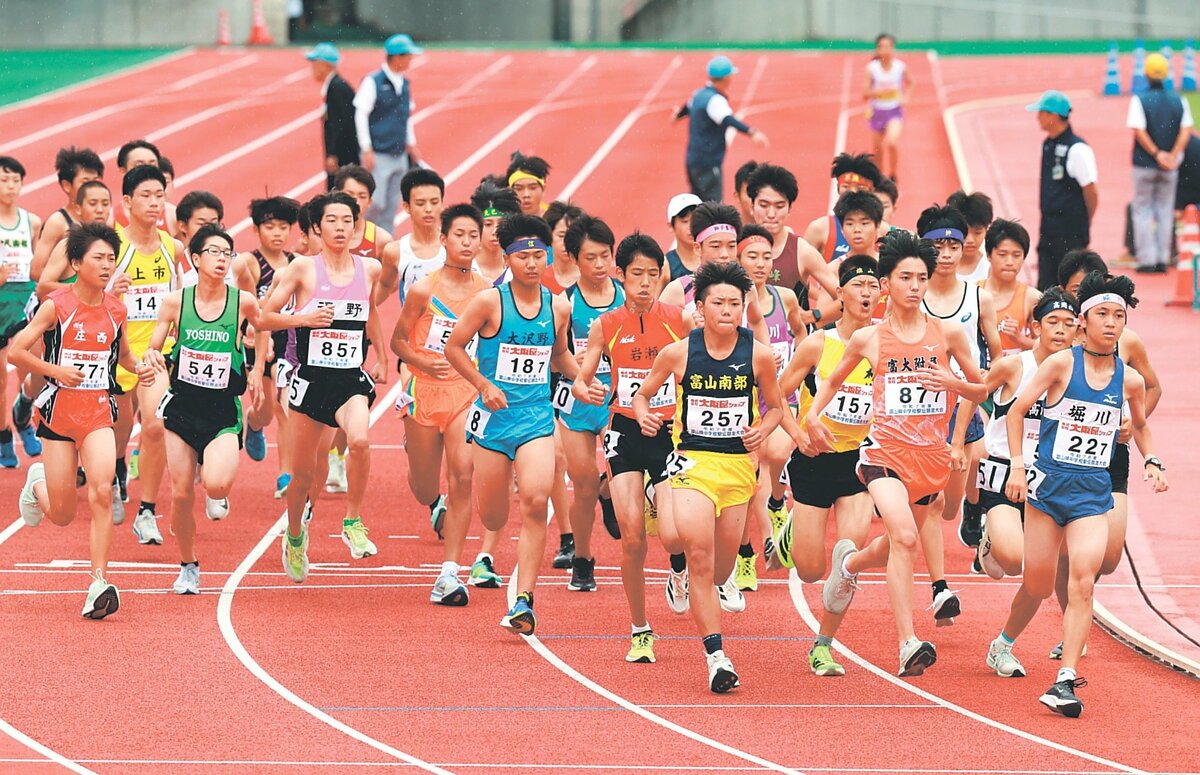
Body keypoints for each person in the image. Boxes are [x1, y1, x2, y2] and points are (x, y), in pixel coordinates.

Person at [988, 272, 1167, 718]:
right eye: (1102, 314)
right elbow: (1015, 413)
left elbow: (1140, 425)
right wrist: (1017, 465)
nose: (1111, 323)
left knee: (1083, 581)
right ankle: (1003, 643)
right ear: (1084, 320)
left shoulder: (1129, 380)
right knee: (1038, 584)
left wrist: (1152, 460)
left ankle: (1065, 679)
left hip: (1092, 494)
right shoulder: (1060, 365)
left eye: (1118, 316)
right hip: (1047, 490)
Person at [809, 230, 986, 677]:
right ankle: (908, 643)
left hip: (929, 461)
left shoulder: (947, 334)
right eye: (905, 277)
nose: (914, 286)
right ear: (886, 284)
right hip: (883, 456)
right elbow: (832, 381)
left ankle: (848, 563)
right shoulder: (870, 338)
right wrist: (812, 416)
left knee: (892, 544)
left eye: (921, 278)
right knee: (906, 539)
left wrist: (954, 392)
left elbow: (981, 387)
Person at [632, 260, 785, 692]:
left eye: (735, 303)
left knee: (719, 570)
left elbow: (775, 406)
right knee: (698, 555)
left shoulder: (756, 354)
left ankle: (709, 581)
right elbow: (642, 395)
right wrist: (644, 417)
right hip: (692, 463)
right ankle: (716, 656)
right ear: (700, 307)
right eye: (718, 302)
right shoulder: (679, 353)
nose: (727, 310)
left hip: (737, 469)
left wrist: (764, 428)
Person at [443, 213, 595, 635]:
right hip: (493, 421)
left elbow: (560, 355)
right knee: (492, 515)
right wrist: (482, 384)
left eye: (538, 255)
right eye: (522, 256)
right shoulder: (489, 302)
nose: (531, 263)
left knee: (533, 499)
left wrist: (578, 383)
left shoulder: (557, 305)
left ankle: (523, 599)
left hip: (535, 418)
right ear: (507, 259)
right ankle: (491, 539)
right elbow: (454, 347)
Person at [14, 223, 152, 618]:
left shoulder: (117, 310)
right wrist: (55, 371)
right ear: (76, 263)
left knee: (101, 492)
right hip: (59, 414)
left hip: (96, 413)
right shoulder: (55, 305)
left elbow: (123, 357)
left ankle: (98, 582)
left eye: (111, 258)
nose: (107, 265)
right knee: (62, 514)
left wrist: (141, 368)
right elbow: (16, 354)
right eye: (98, 258)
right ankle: (37, 483)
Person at [571, 231, 690, 663]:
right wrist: (587, 387)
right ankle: (641, 629)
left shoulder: (679, 319)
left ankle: (678, 569)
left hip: (670, 434)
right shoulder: (605, 324)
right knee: (633, 538)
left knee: (674, 534)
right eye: (636, 274)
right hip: (623, 432)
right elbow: (584, 374)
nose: (644, 283)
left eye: (653, 275)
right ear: (620, 275)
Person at [259, 192, 388, 582]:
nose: (340, 228)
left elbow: (372, 314)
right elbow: (262, 318)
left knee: (360, 441)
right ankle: (295, 535)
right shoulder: (302, 270)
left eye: (347, 221)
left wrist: (380, 356)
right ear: (316, 227)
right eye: (331, 221)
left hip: (349, 378)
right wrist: (302, 318)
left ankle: (352, 521)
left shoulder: (371, 269)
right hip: (311, 381)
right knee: (303, 478)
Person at [774, 254, 881, 676]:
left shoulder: (884, 345)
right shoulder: (819, 344)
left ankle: (824, 644)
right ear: (840, 294)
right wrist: (798, 435)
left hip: (858, 465)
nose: (867, 293)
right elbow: (776, 395)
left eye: (874, 285)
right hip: (813, 462)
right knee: (812, 569)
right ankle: (789, 530)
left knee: (845, 563)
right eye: (858, 286)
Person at [143, 225, 264, 593]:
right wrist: (151, 355)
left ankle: (216, 483)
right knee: (180, 494)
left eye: (227, 253)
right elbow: (156, 343)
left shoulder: (242, 301)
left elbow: (264, 327)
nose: (222, 258)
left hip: (222, 410)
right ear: (195, 259)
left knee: (214, 483)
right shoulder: (175, 302)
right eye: (213, 251)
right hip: (182, 407)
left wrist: (257, 368)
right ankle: (188, 565)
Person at [391, 203, 492, 605]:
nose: (467, 242)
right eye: (460, 235)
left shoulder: (488, 291)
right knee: (424, 488)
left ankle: (449, 572)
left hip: (463, 392)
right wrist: (418, 361)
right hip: (423, 392)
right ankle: (415, 458)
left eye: (474, 235)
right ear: (445, 240)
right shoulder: (423, 289)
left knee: (463, 474)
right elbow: (398, 340)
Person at [975, 289, 1077, 580]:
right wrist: (959, 443)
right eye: (1052, 321)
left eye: (1068, 323)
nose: (1060, 329)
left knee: (1050, 562)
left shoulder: (1079, 371)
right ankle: (991, 537)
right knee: (1012, 561)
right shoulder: (1014, 366)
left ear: (1078, 328)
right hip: (1006, 470)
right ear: (1036, 327)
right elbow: (976, 393)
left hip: (1052, 475)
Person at [111, 165, 187, 536]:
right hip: (115, 353)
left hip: (155, 353)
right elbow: (87, 301)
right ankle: (113, 472)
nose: (156, 203)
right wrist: (110, 291)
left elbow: (182, 299)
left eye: (160, 195)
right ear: (126, 202)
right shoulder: (111, 248)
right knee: (119, 430)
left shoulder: (173, 247)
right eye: (146, 195)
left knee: (155, 426)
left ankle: (147, 510)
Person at [554, 215, 625, 592]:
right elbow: (555, 356)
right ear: (574, 259)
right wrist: (577, 367)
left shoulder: (628, 298)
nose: (599, 266)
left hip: (616, 401)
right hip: (578, 400)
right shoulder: (564, 304)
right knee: (580, 485)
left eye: (605, 256)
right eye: (590, 258)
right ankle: (582, 558)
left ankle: (608, 488)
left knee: (620, 472)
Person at [734, 223, 805, 591]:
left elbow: (801, 334)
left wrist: (794, 368)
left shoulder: (785, 298)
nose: (760, 264)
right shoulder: (732, 304)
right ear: (738, 258)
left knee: (776, 456)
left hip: (781, 399)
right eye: (751, 256)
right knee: (749, 478)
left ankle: (777, 504)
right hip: (745, 402)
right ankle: (750, 551)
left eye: (766, 256)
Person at [233, 196, 301, 488]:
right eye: (270, 227)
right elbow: (245, 304)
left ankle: (286, 474)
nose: (277, 233)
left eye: (283, 227)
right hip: (259, 337)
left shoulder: (297, 263)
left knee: (285, 405)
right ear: (257, 230)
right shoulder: (250, 263)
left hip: (289, 339)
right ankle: (254, 421)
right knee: (266, 409)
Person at [746, 163, 842, 316]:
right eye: (764, 205)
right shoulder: (736, 247)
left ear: (789, 209)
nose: (771, 214)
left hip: (792, 339)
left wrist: (814, 316)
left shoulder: (802, 251)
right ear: (752, 206)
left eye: (779, 206)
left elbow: (846, 299)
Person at [1128, 53, 1194, 273]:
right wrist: (1172, 154)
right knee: (1165, 210)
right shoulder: (1179, 99)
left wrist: (1157, 154)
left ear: (1146, 74)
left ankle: (1147, 259)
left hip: (1144, 164)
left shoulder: (1139, 99)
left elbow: (1139, 130)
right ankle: (1164, 257)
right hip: (1170, 166)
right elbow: (1186, 130)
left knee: (1143, 209)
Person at [1027, 91, 1098, 290]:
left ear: (1054, 115)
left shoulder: (1077, 149)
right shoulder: (1048, 144)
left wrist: (1084, 220)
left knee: (1071, 286)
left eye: (1041, 112)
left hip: (1071, 233)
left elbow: (1091, 190)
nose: (1037, 117)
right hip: (1049, 230)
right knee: (1045, 288)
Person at [674, 56, 768, 203]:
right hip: (707, 162)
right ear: (726, 78)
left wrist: (677, 116)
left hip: (693, 160)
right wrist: (752, 132)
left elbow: (687, 107)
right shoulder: (715, 100)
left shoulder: (698, 94)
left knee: (698, 204)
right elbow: (728, 119)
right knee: (713, 207)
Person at [0, 155, 44, 465]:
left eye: (15, 180)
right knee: (1, 378)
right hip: (0, 303)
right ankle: (4, 437)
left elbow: (40, 266)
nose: (10, 186)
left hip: (26, 303)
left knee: (36, 365)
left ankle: (23, 413)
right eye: (4, 180)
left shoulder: (32, 222)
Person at [355, 33, 424, 229]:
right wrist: (366, 149)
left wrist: (411, 144)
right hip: (378, 153)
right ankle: (362, 240)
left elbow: (406, 116)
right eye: (408, 56)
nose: (411, 60)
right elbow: (361, 114)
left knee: (392, 205)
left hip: (399, 153)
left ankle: (384, 245)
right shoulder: (372, 81)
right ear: (397, 57)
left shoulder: (405, 83)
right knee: (375, 202)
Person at [31, 146, 104, 282]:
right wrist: (74, 293)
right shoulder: (58, 223)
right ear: (67, 186)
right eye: (86, 182)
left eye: (96, 181)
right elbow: (36, 271)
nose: (93, 187)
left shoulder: (105, 217)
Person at [378, 168, 446, 303]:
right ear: (406, 207)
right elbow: (385, 285)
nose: (428, 209)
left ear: (442, 204)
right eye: (420, 203)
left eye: (434, 202)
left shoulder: (455, 246)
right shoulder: (395, 251)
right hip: (412, 323)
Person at [36, 181, 113, 299]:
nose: (100, 210)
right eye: (93, 204)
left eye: (105, 204)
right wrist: (83, 288)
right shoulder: (68, 245)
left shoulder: (116, 243)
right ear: (78, 208)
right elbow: (42, 288)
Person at [803, 153, 883, 262]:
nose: (853, 192)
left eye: (860, 187)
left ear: (872, 191)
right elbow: (800, 271)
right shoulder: (819, 229)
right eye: (846, 186)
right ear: (837, 188)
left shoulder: (883, 231)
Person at [982, 219, 1040, 357]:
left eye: (1016, 255)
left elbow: (1048, 346)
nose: (1009, 262)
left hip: (1015, 374)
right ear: (989, 255)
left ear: (1024, 257)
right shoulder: (972, 292)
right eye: (1002, 255)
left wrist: (1020, 340)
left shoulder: (1033, 298)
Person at [306, 43, 360, 191]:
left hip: (344, 155)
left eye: (314, 63)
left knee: (338, 192)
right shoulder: (335, 85)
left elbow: (339, 124)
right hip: (345, 153)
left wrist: (333, 153)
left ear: (325, 65)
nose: (312, 68)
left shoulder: (336, 88)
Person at [863, 33, 911, 182]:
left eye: (889, 46)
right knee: (877, 151)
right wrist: (878, 92)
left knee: (891, 142)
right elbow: (864, 94)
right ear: (877, 50)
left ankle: (893, 174)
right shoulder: (872, 68)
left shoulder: (900, 67)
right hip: (877, 112)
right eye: (882, 47)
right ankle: (880, 178)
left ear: (893, 48)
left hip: (894, 111)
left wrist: (906, 97)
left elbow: (910, 83)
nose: (885, 50)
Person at [113, 139, 177, 234]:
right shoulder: (110, 219)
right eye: (139, 165)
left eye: (152, 164)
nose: (147, 170)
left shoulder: (173, 216)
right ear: (123, 171)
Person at [334, 165, 393, 260]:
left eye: (362, 196)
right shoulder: (320, 237)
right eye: (350, 195)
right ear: (337, 195)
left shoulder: (381, 240)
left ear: (370, 202)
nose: (356, 202)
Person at [469, 180, 521, 284]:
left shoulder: (517, 268)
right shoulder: (466, 267)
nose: (495, 231)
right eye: (488, 224)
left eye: (501, 223)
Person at [946, 190, 994, 283]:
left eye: (977, 233)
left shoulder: (990, 269)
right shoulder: (936, 266)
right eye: (964, 233)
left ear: (986, 230)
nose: (970, 240)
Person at [663, 193, 702, 285]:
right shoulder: (666, 265)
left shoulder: (713, 257)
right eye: (685, 221)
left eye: (696, 220)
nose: (691, 227)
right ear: (671, 226)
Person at [733, 161, 759, 226]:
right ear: (737, 197)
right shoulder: (730, 233)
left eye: (758, 193)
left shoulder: (782, 233)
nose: (754, 200)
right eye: (750, 193)